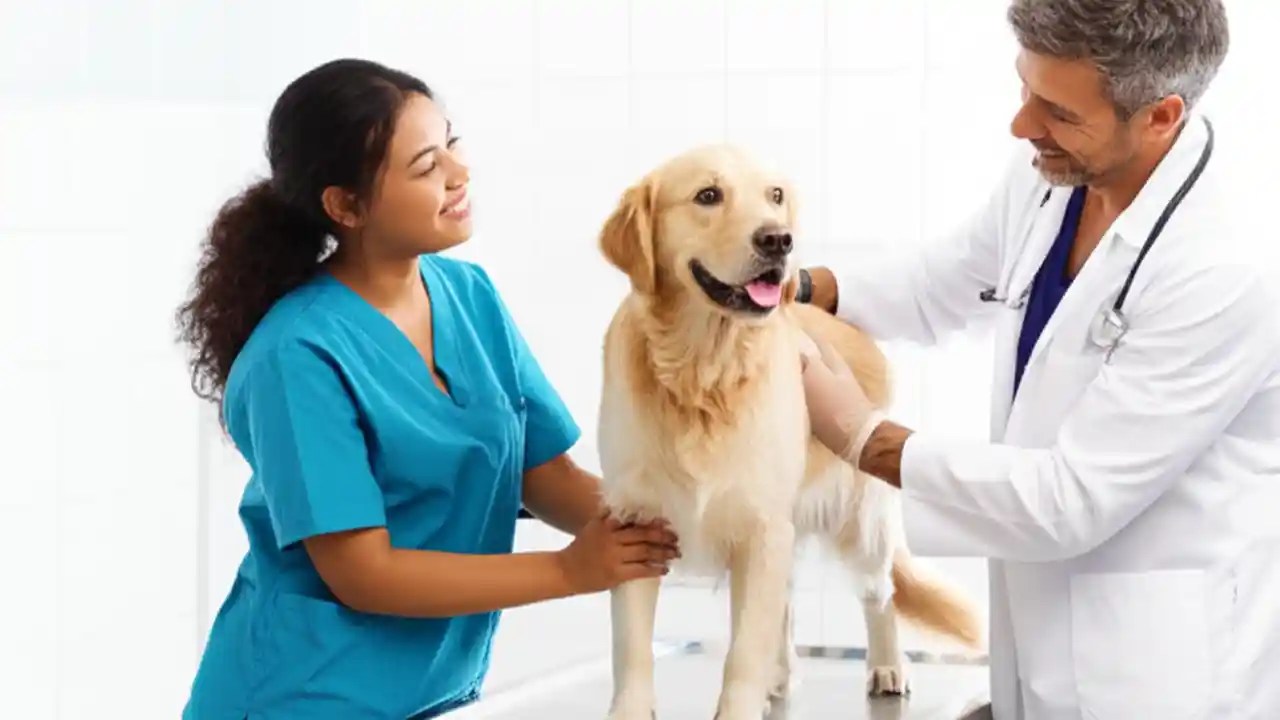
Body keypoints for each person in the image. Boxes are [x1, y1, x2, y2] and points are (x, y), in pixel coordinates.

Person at [794, 1, 1280, 719]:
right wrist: (799, 288)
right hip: (1038, 644)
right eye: (1025, 89)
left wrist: (866, 440)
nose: (1022, 125)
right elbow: (942, 284)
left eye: (1056, 109)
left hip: (1155, 678)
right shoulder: (1053, 177)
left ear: (1159, 116)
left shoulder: (1224, 268)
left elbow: (1069, 499)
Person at [175, 58, 679, 719]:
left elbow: (542, 471)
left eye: (451, 143)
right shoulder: (295, 356)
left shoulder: (470, 296)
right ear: (345, 205)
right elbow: (364, 573)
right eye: (424, 167)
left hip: (426, 692)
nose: (458, 174)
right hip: (301, 695)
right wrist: (570, 570)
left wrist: (670, 526)